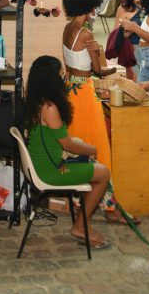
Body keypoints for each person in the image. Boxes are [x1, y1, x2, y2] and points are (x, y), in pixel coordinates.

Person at [60, 0, 134, 227]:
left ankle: (82, 199)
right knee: (100, 149)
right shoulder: (87, 34)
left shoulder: (67, 29)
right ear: (89, 5)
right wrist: (101, 52)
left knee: (77, 145)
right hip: (85, 94)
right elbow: (99, 70)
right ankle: (111, 208)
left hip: (70, 90)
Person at [24, 55, 112, 250]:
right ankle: (80, 226)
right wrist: (92, 149)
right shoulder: (50, 107)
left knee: (93, 166)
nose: (64, 76)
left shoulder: (37, 101)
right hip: (50, 172)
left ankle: (83, 222)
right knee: (103, 174)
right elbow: (68, 145)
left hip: (44, 165)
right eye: (61, 73)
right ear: (51, 78)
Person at [113, 0, 142, 79]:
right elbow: (116, 33)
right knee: (135, 84)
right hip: (131, 50)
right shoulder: (123, 8)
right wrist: (125, 30)